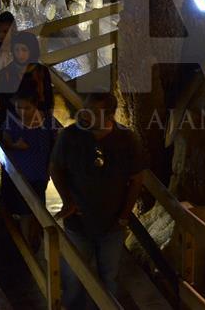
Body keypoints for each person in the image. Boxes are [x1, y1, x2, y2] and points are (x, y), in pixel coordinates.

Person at [51, 92, 147, 309]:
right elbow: (56, 168)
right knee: (74, 277)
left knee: (109, 277)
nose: (85, 115)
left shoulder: (127, 140)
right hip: (78, 222)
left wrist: (123, 216)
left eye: (93, 112)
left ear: (109, 116)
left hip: (111, 223)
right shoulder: (70, 136)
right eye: (85, 109)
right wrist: (68, 201)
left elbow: (136, 179)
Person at [0, 93, 59, 249]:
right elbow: (4, 143)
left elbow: (59, 135)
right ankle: (28, 248)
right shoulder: (11, 120)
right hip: (20, 174)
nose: (23, 111)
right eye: (19, 107)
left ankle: (37, 241)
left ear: (35, 105)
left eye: (27, 107)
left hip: (39, 173)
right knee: (26, 212)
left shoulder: (46, 120)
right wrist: (15, 146)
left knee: (38, 210)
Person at [0, 31, 54, 129]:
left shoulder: (41, 71)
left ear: (32, 50)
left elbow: (48, 96)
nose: (20, 54)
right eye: (17, 50)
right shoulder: (6, 73)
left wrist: (42, 113)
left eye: (24, 50)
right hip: (15, 119)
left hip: (39, 116)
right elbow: (3, 102)